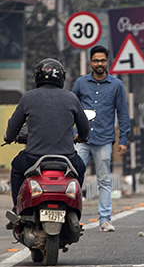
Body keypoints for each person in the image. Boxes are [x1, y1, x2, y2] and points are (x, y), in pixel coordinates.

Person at [4, 59, 89, 223]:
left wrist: (9, 137)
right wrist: (82, 137)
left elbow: (13, 126)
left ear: (38, 77)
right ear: (61, 78)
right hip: (67, 159)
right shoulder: (71, 98)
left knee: (16, 168)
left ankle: (17, 209)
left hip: (33, 158)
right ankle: (74, 205)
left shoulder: (28, 97)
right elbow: (84, 127)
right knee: (81, 167)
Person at [72, 45, 130, 233]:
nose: (99, 64)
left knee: (103, 181)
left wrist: (123, 140)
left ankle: (105, 219)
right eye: (96, 60)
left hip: (104, 139)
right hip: (81, 139)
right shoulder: (80, 83)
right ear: (90, 62)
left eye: (102, 60)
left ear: (107, 62)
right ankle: (72, 220)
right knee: (74, 179)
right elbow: (70, 109)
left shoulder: (116, 85)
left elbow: (122, 113)